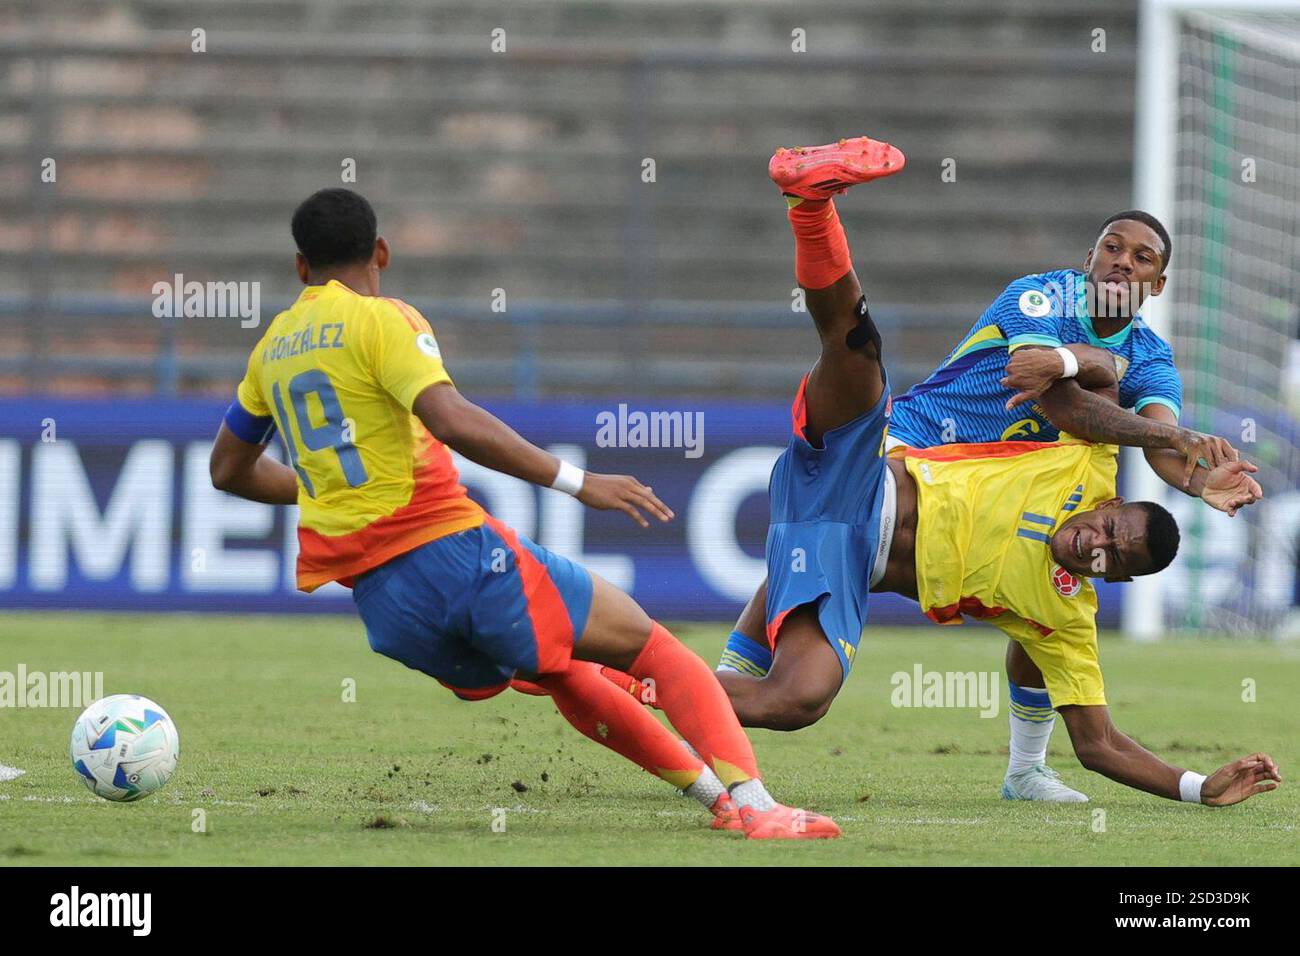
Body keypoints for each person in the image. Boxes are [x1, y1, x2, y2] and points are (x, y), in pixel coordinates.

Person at [608, 136, 1277, 807]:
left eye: (1141, 260)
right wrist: (1125, 396)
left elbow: (1157, 442)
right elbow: (1068, 404)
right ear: (1089, 257)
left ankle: (668, 686)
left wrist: (1197, 475)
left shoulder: (1146, 367)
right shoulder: (1043, 298)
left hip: (889, 527)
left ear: (1157, 285)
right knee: (855, 348)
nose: (1122, 263)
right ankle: (812, 205)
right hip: (906, 447)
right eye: (1113, 247)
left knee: (1010, 613)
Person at [208, 187, 840, 839]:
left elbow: (228, 469)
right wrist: (576, 480)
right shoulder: (382, 320)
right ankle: (759, 807)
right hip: (453, 555)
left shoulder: (273, 351)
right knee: (654, 648)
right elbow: (452, 420)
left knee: (561, 671)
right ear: (382, 253)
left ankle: (717, 802)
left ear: (299, 266)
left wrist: (324, 487)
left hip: (384, 607)